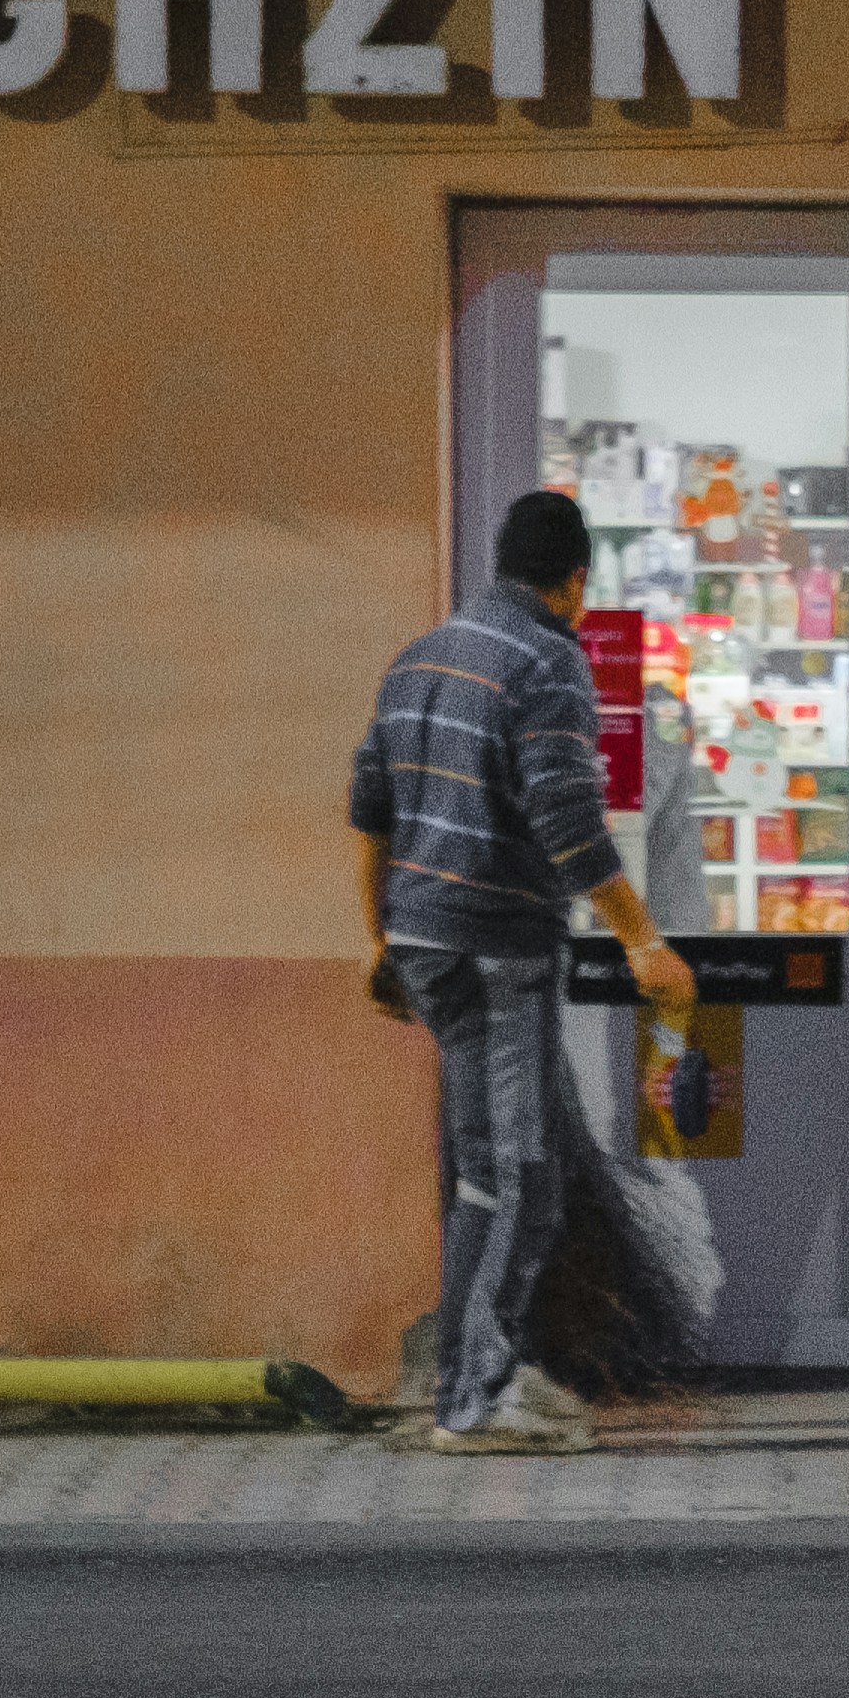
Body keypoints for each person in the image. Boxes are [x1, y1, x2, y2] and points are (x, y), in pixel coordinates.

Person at [347, 486, 697, 1454]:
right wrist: (643, 941)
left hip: (427, 938)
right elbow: (569, 822)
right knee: (509, 1175)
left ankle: (492, 1365)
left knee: (510, 1174)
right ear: (576, 582)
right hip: (494, 947)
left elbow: (370, 810)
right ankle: (470, 1398)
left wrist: (380, 936)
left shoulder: (418, 657)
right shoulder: (549, 662)